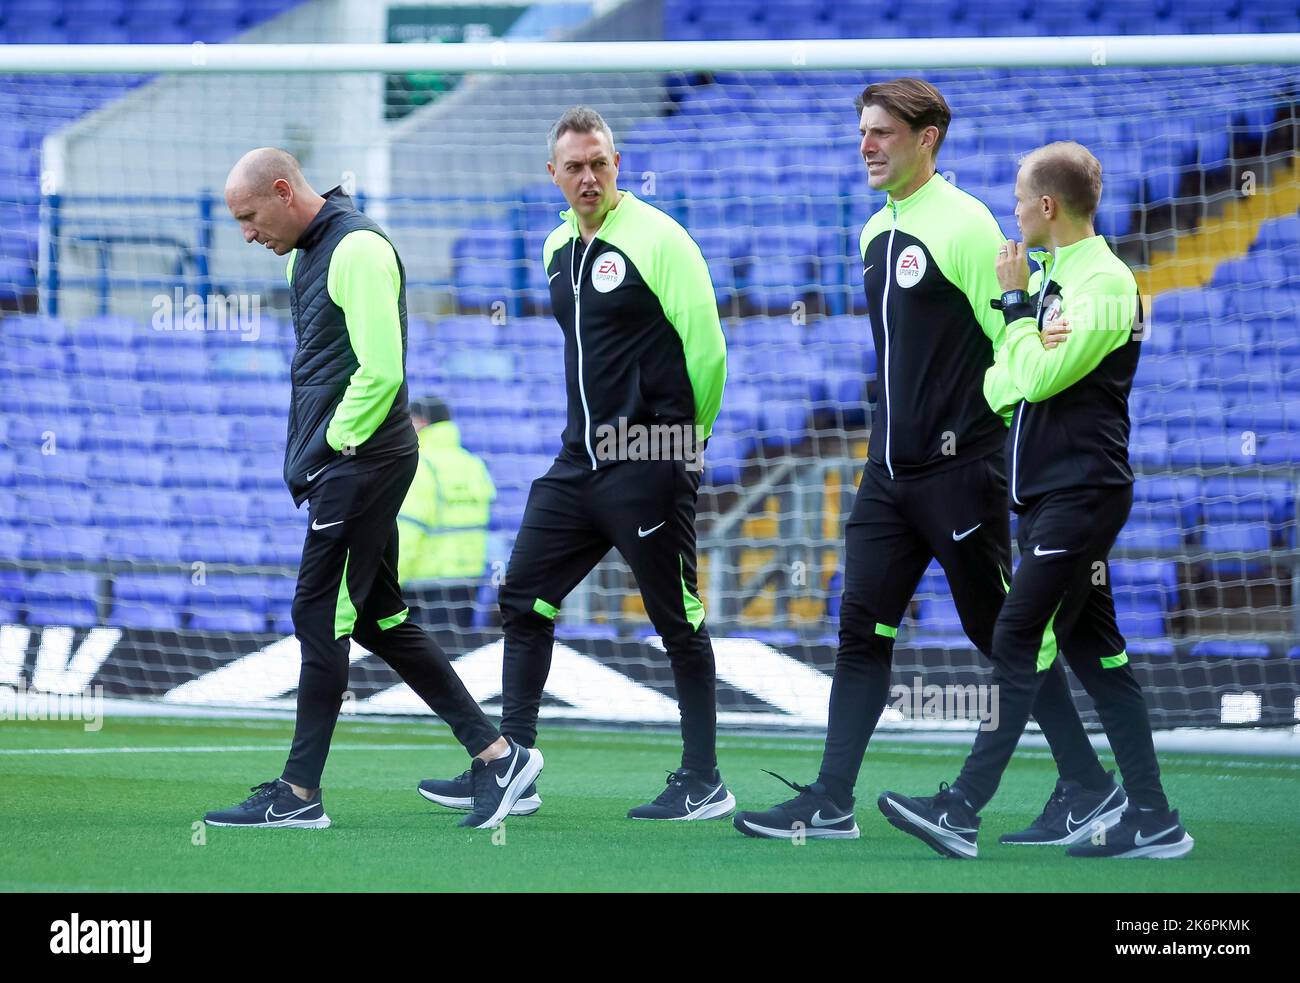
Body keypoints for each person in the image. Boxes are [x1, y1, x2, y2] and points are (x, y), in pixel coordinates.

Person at [735, 79, 1119, 842]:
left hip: (959, 476)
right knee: (861, 631)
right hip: (887, 476)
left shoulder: (969, 225)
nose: (868, 146)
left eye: (883, 132)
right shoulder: (877, 230)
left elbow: (1027, 336)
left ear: (927, 138)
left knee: (1003, 638)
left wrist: (990, 428)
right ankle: (833, 800)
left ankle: (1088, 783)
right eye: (863, 133)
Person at [204, 148, 539, 831]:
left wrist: (331, 446)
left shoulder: (356, 249)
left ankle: (298, 795)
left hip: (361, 463)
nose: (246, 234)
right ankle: (497, 753)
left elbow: (382, 372)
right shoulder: (309, 254)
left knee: (318, 612)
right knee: (381, 619)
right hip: (356, 464)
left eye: (248, 217)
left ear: (281, 190)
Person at [878, 141, 1193, 859]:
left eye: (1020, 199)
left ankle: (960, 807)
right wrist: (1028, 341)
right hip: (1048, 497)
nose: (1013, 213)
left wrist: (1019, 315)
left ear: (1047, 207)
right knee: (1098, 656)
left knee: (1016, 636)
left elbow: (1040, 380)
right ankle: (1153, 816)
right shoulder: (1058, 281)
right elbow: (1003, 385)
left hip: (1080, 494)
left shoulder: (1105, 284)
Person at [419, 107, 732, 821]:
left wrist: (686, 442)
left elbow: (707, 348)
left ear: (617, 164)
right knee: (522, 595)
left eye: (600, 162)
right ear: (553, 175)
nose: (589, 176)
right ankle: (511, 765)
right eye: (575, 166)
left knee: (675, 616)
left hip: (650, 457)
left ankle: (704, 778)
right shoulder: (558, 247)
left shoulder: (661, 238)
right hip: (577, 460)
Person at [397, 394, 495, 633]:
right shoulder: (473, 464)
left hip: (423, 584)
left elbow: (408, 531)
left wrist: (391, 581)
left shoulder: (420, 465)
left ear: (419, 422)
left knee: (415, 661)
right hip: (467, 582)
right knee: (451, 658)